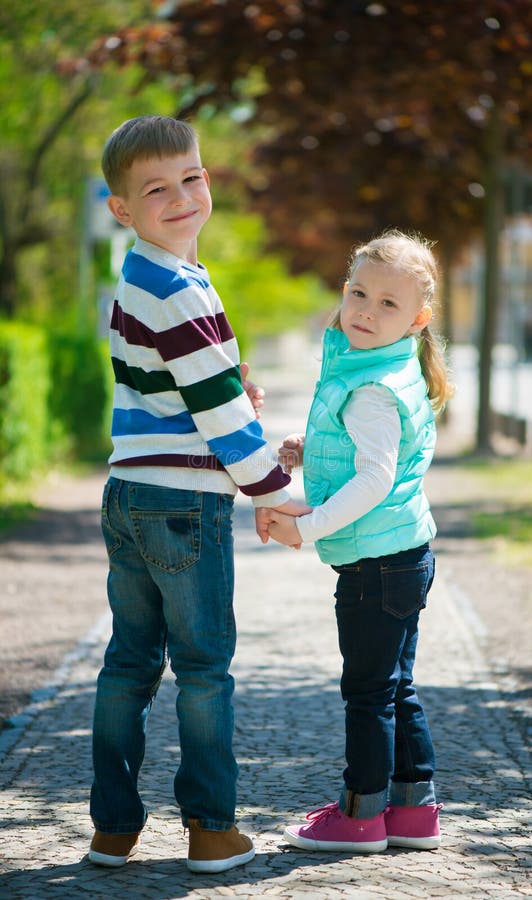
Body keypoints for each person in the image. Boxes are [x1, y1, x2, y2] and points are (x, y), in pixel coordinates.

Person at [88, 114, 308, 874]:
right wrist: (273, 494)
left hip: (128, 494)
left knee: (128, 664)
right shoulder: (175, 285)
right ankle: (212, 829)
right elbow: (216, 413)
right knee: (204, 667)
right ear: (122, 208)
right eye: (156, 189)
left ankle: (111, 830)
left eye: (192, 177)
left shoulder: (145, 275)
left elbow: (171, 386)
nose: (182, 196)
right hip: (184, 503)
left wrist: (227, 390)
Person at [261, 230, 453, 854]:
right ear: (343, 292)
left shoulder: (373, 384)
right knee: (397, 686)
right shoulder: (375, 364)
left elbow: (375, 478)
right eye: (359, 293)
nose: (367, 310)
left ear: (418, 318)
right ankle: (413, 811)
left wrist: (305, 524)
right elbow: (363, 456)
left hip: (377, 563)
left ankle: (362, 815)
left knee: (368, 694)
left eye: (388, 304)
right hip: (402, 554)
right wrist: (307, 453)